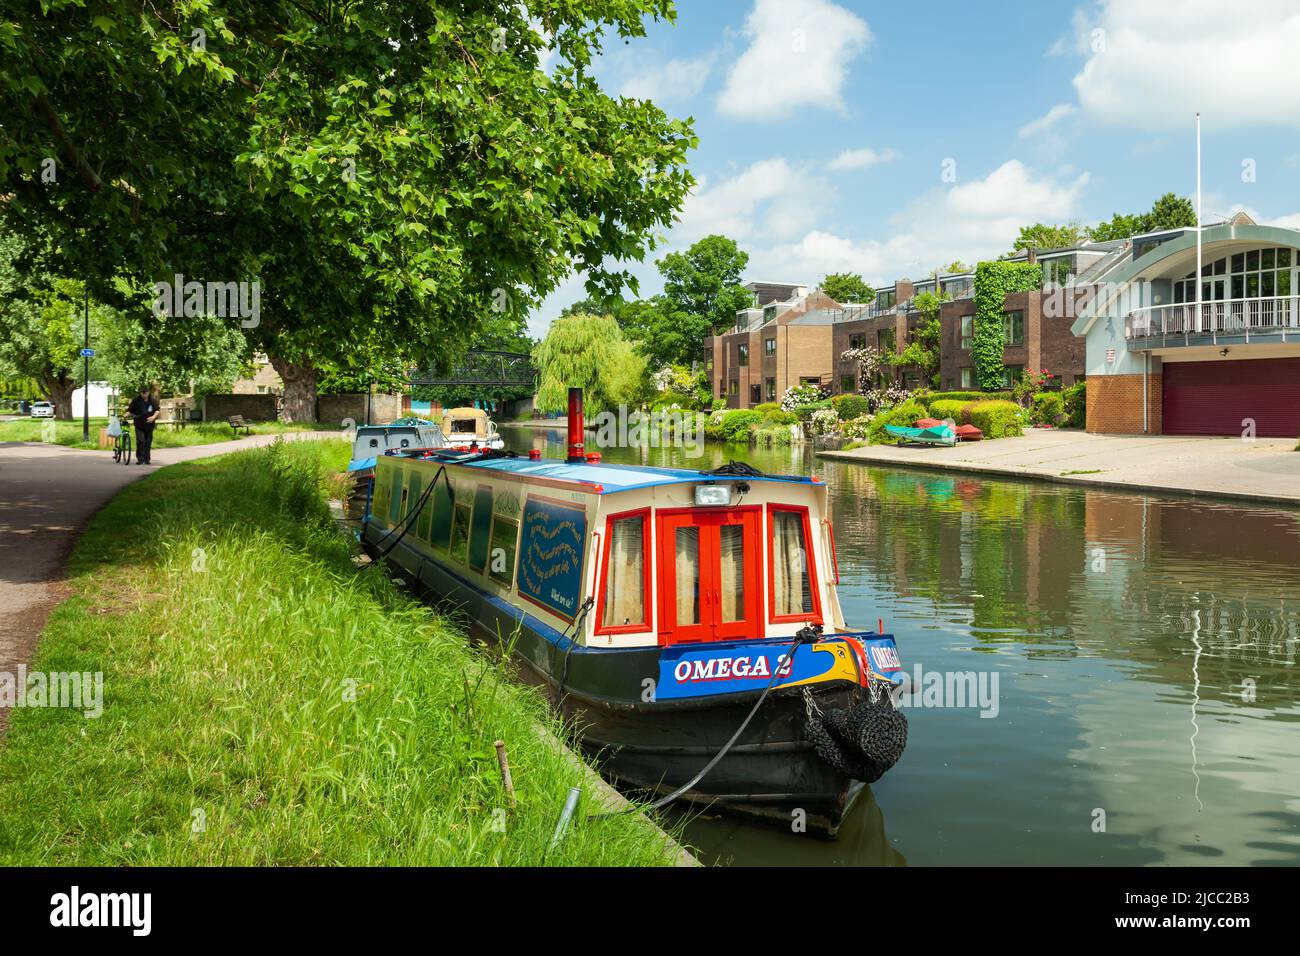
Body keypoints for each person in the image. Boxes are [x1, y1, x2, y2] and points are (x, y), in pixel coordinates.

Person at [126, 384, 159, 465]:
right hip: (139, 424)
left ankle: (147, 459)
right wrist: (126, 415)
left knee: (148, 442)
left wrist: (153, 417)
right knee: (141, 441)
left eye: (146, 393)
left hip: (149, 425)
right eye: (142, 393)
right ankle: (140, 459)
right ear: (140, 393)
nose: (144, 395)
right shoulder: (136, 400)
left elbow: (157, 410)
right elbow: (130, 410)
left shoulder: (152, 400)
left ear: (148, 392)